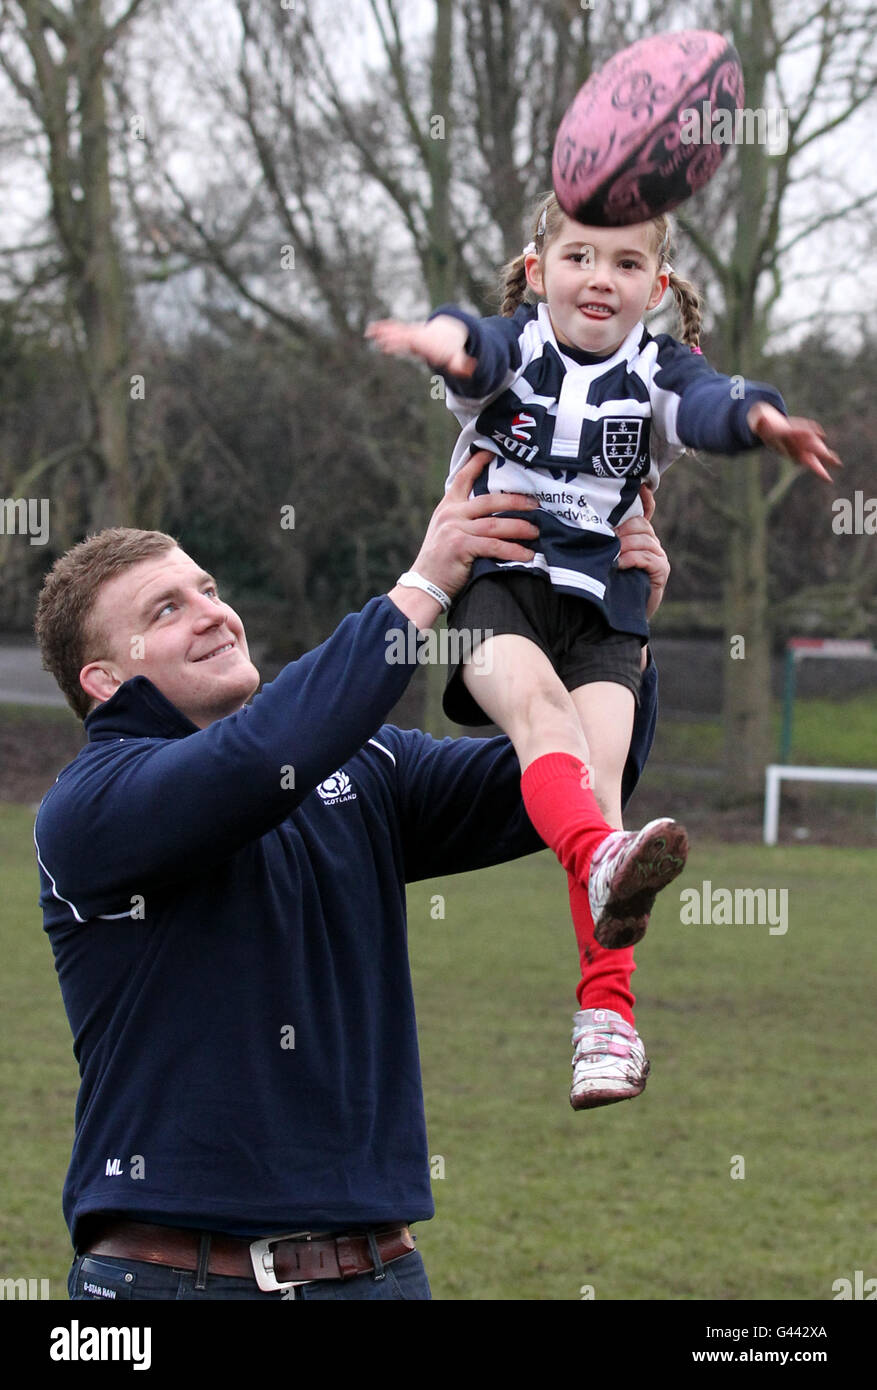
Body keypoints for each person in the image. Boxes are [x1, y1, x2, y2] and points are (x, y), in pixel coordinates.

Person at [33, 451, 669, 1302]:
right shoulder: (91, 807)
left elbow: (577, 778)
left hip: (376, 1274)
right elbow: (260, 758)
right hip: (168, 1281)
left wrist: (612, 632)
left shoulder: (363, 763)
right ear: (104, 681)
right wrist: (424, 585)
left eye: (210, 590)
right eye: (168, 609)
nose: (213, 615)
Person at [367, 193, 841, 1110]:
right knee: (547, 731)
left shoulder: (659, 367)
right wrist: (444, 341)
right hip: (498, 585)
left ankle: (607, 1024)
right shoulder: (515, 349)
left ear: (655, 286)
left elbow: (712, 401)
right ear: (539, 270)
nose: (600, 278)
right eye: (579, 257)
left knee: (601, 784)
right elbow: (478, 346)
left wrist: (760, 421)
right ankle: (597, 866)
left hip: (609, 612)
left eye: (626, 265)